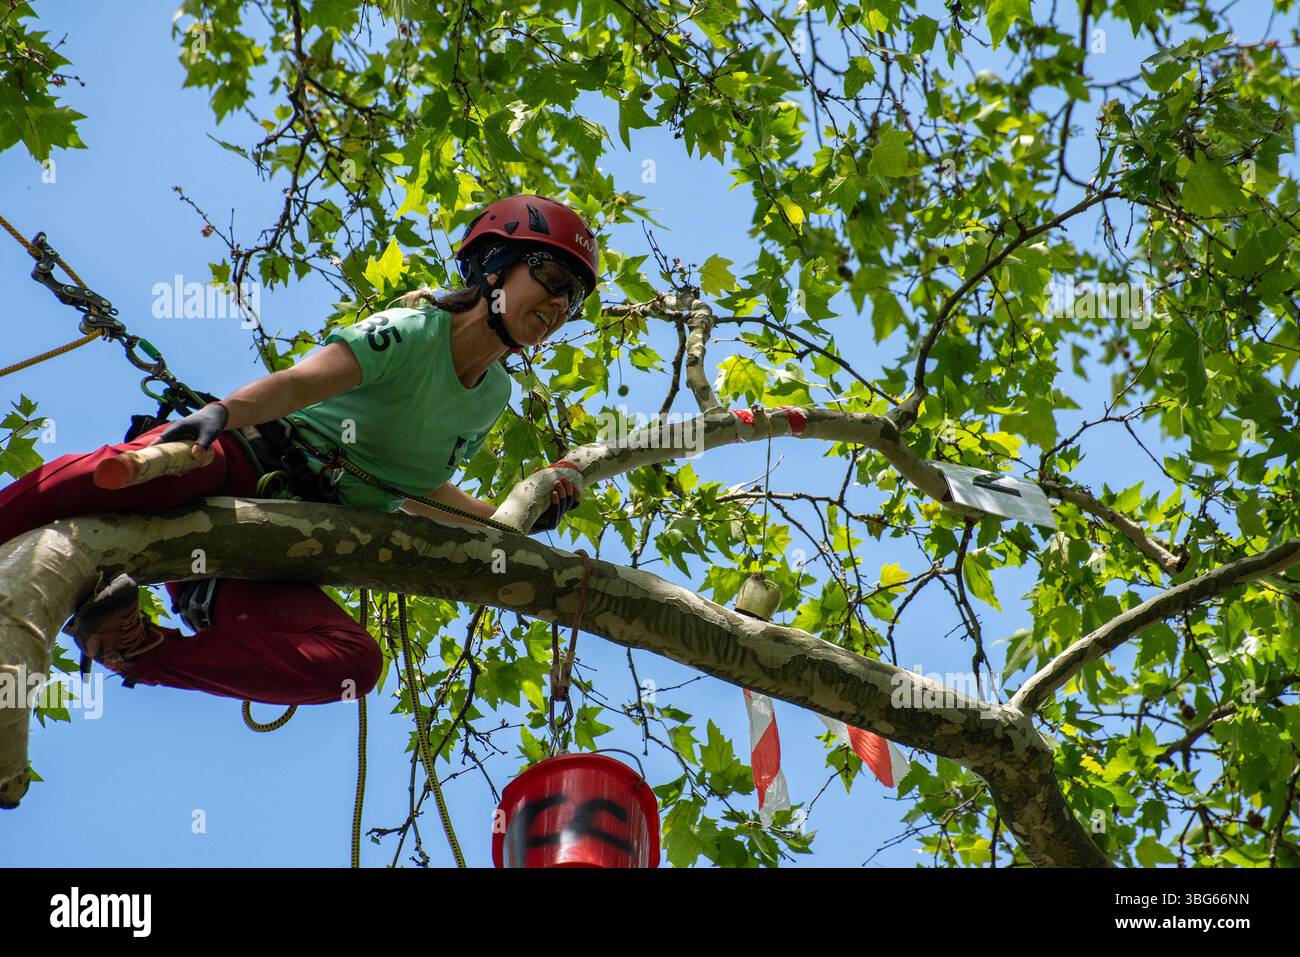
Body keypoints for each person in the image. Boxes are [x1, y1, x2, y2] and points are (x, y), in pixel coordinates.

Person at [0, 193, 599, 707]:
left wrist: (508, 522)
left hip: (281, 551)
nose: (559, 305)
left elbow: (415, 490)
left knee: (354, 665)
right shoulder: (415, 332)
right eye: (551, 278)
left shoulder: (490, 398)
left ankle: (138, 651)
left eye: (573, 299)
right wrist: (219, 414)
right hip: (244, 458)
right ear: (494, 267)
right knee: (120, 475)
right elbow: (299, 384)